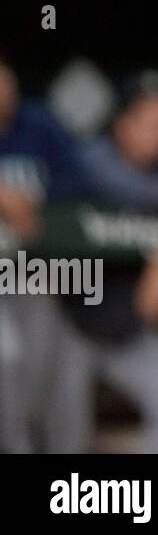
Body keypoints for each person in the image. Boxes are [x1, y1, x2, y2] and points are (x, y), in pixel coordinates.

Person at [47, 70, 158, 453]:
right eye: (148, 124)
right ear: (122, 124)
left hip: (127, 321)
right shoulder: (88, 157)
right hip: (69, 320)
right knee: (64, 433)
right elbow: (126, 188)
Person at [0, 53, 87, 453]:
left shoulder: (38, 124)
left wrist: (38, 204)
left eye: (6, 84)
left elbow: (78, 182)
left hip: (33, 269)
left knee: (43, 367)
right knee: (7, 356)